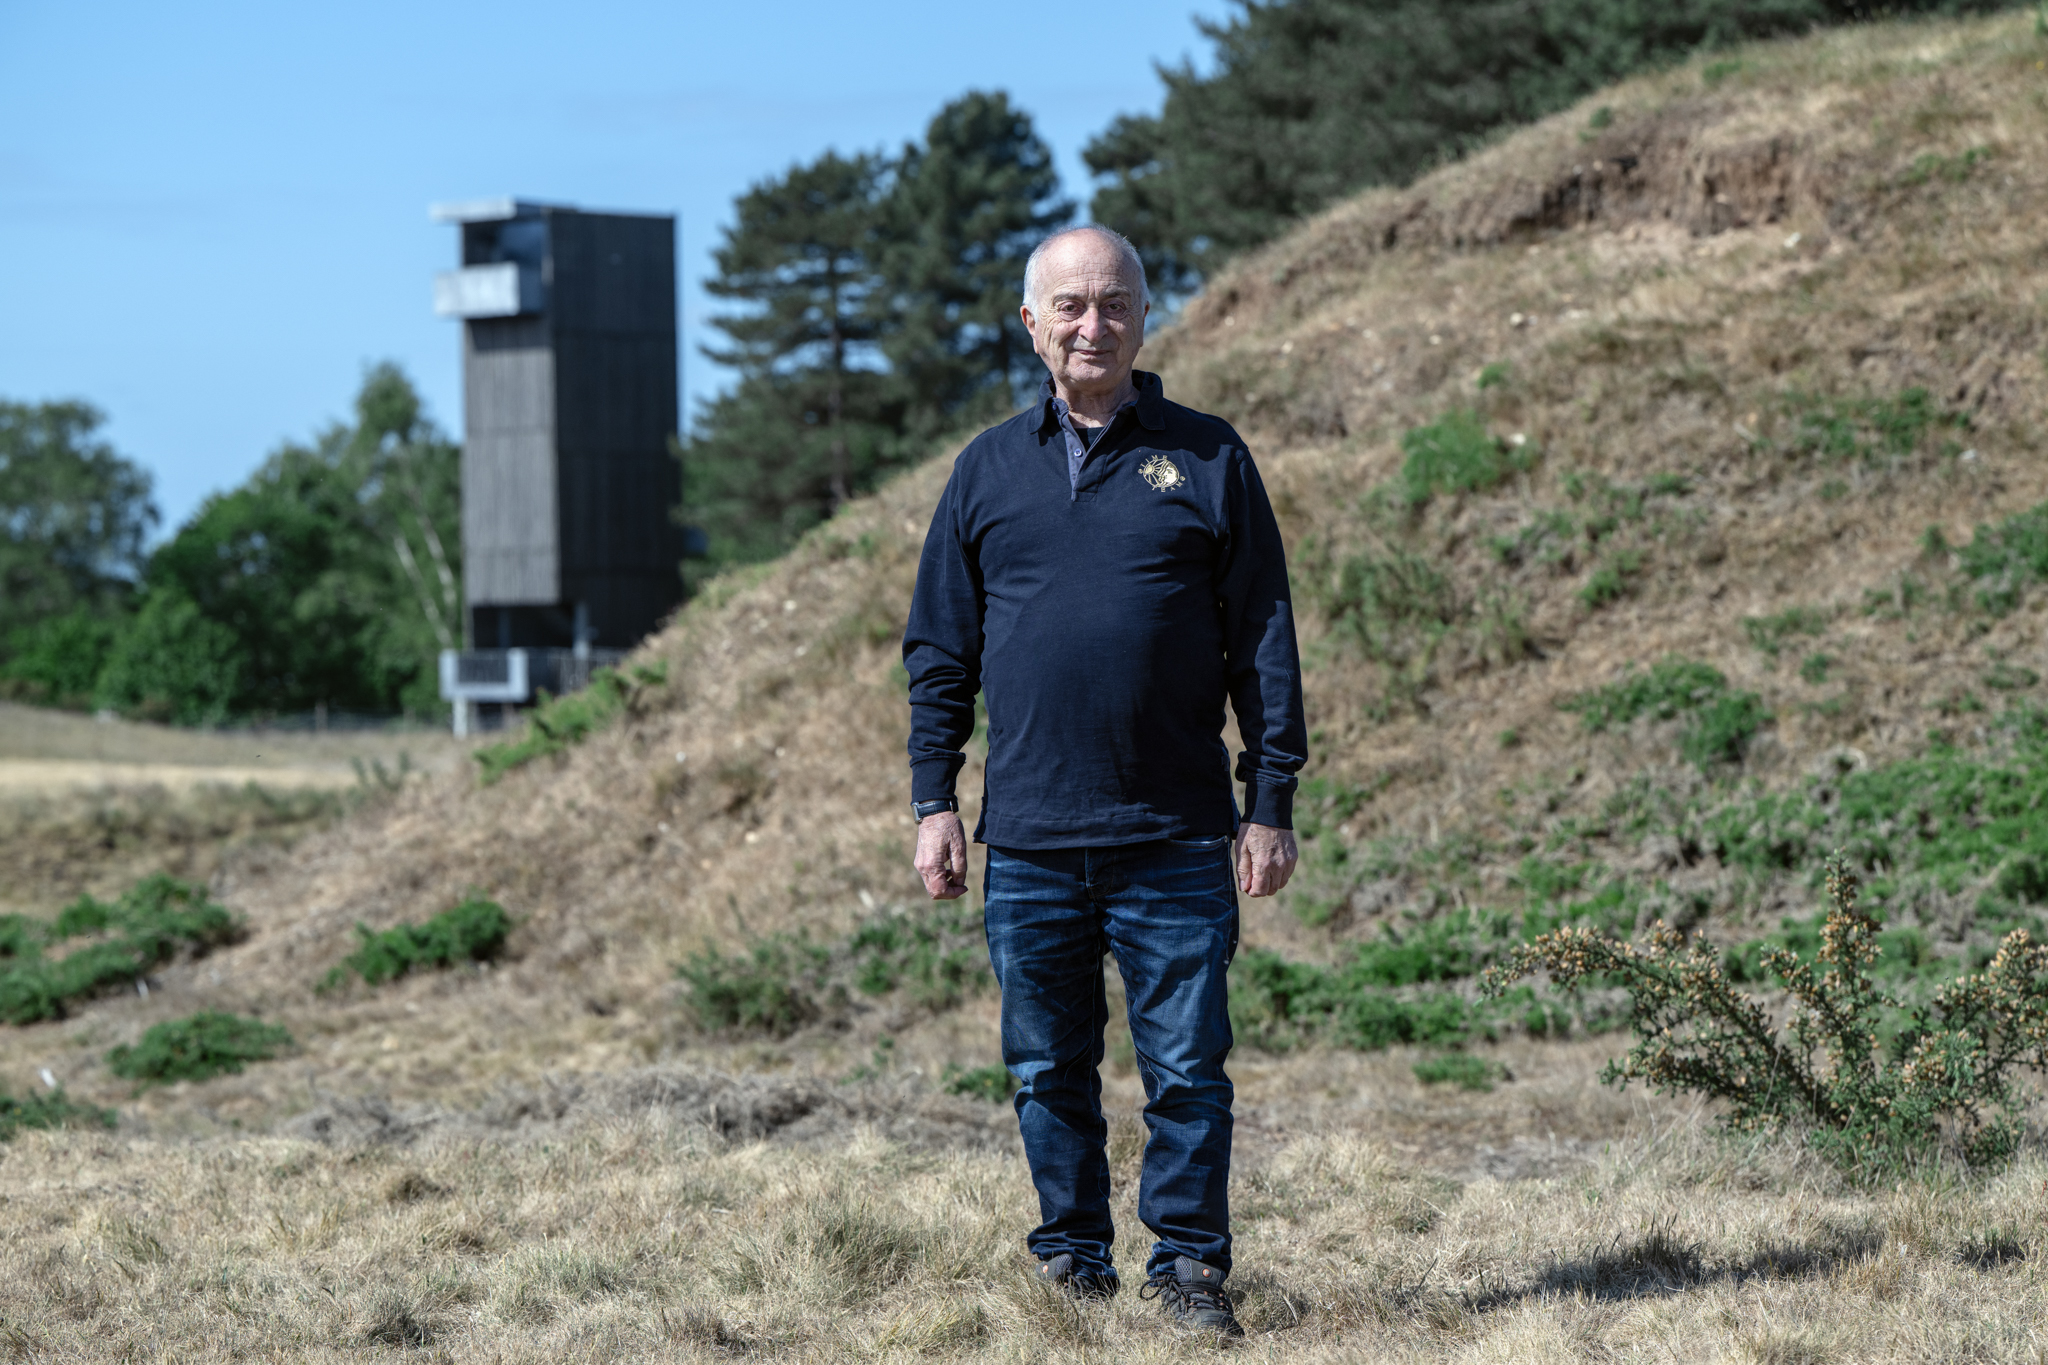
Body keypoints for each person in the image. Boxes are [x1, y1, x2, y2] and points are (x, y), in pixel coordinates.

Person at [902, 224, 1307, 1337]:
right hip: (1027, 836)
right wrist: (934, 799)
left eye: (1115, 303)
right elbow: (939, 650)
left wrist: (1268, 799)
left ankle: (1186, 1273)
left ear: (1143, 317)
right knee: (1044, 1069)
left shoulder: (1209, 456)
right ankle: (1071, 1263)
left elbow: (1260, 641)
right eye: (1070, 306)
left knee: (1185, 1072)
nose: (1094, 324)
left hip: (1175, 832)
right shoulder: (984, 468)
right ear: (1029, 324)